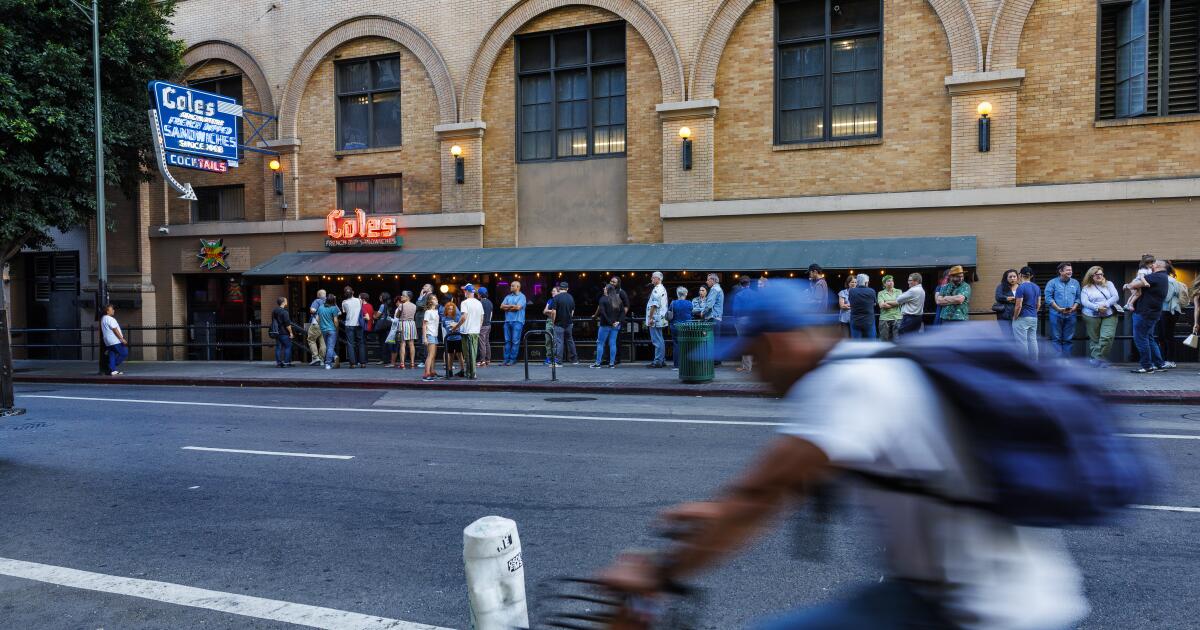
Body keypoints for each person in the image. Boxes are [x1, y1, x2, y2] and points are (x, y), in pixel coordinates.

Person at [597, 282, 1091, 630]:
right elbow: (779, 486)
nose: (751, 375)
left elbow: (758, 498)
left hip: (984, 612)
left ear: (778, 344)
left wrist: (658, 575)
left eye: (750, 358)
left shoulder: (847, 385)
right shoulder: (870, 359)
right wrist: (717, 509)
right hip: (939, 593)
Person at [1124, 259, 1172, 373]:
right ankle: (1159, 364)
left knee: (1140, 338)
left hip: (1144, 313)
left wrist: (1127, 285)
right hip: (1153, 313)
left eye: (1154, 263)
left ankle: (1147, 366)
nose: (1152, 265)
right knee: (1149, 338)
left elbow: (1135, 284)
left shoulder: (1156, 276)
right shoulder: (1163, 277)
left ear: (1158, 266)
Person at [1080, 266, 1119, 368]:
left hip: (1109, 314)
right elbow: (1084, 302)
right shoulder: (1086, 288)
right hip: (1091, 315)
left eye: (1101, 274)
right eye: (1096, 274)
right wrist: (1097, 307)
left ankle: (1096, 359)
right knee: (1095, 339)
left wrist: (1105, 305)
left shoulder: (1109, 284)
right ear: (1091, 276)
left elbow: (1115, 296)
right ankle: (1098, 360)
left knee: (1107, 337)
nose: (1099, 276)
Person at [1044, 263, 1081, 358]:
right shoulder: (1052, 283)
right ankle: (1058, 361)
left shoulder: (1075, 283)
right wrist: (1059, 309)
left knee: (1068, 339)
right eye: (1068, 270)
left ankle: (1067, 360)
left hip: (1071, 314)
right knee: (1056, 338)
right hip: (1056, 314)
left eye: (1071, 270)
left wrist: (1074, 307)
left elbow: (1078, 298)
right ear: (1061, 271)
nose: (1070, 272)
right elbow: (1048, 298)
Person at [1159, 263, 1189, 365]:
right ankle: (1165, 359)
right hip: (1167, 310)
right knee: (1163, 336)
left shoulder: (1169, 281)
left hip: (1169, 310)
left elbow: (1167, 297)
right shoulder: (1169, 280)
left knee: (1167, 336)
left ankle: (1170, 360)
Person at [1012, 266, 1041, 360]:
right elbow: (1038, 304)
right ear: (1031, 276)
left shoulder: (1021, 287)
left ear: (1020, 275)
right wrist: (1033, 313)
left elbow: (1018, 305)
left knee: (1022, 342)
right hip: (1034, 317)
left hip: (1022, 317)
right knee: (1033, 340)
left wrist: (1015, 317)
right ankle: (1035, 363)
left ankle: (1024, 365)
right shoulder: (1037, 287)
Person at [592, 285, 622, 368]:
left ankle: (598, 363)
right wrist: (618, 321)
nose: (603, 288)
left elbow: (603, 312)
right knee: (612, 343)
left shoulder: (603, 299)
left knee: (600, 343)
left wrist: (610, 322)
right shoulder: (617, 299)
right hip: (616, 325)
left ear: (608, 290)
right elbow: (622, 312)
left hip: (605, 324)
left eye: (604, 288)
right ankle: (612, 363)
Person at [458, 284, 484, 380]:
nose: (464, 292)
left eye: (464, 291)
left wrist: (456, 327)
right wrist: (478, 328)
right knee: (473, 352)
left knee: (468, 353)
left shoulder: (464, 303)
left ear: (467, 292)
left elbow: (464, 317)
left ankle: (471, 373)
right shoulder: (479, 303)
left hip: (466, 331)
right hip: (475, 331)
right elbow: (482, 318)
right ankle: (471, 373)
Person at [548, 281, 577, 366]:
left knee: (559, 342)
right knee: (570, 340)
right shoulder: (571, 297)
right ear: (567, 289)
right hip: (569, 323)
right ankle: (574, 360)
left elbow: (553, 312)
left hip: (559, 323)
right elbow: (572, 311)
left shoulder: (556, 298)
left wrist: (553, 322)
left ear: (560, 288)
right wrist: (569, 319)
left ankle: (559, 361)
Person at [500, 280, 527, 366]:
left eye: (512, 286)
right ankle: (506, 359)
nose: (510, 287)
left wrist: (507, 307)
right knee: (507, 341)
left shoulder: (522, 296)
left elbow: (518, 307)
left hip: (518, 321)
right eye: (511, 285)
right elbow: (501, 306)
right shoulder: (508, 296)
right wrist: (512, 307)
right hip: (507, 321)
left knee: (515, 341)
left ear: (518, 287)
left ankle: (512, 359)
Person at [646, 271, 669, 368]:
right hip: (661, 318)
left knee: (656, 340)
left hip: (655, 319)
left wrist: (650, 318)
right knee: (660, 339)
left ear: (658, 279)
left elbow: (654, 305)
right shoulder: (662, 288)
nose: (651, 279)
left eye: (652, 277)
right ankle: (661, 359)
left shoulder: (656, 290)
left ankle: (658, 361)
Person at [732, 276, 755, 372]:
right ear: (749, 283)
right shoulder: (755, 294)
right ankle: (747, 365)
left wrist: (735, 321)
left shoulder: (739, 295)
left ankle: (746, 367)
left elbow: (736, 310)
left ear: (740, 284)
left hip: (741, 320)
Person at [669, 286, 693, 370]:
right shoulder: (689, 303)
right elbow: (691, 313)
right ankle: (687, 364)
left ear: (677, 294)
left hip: (675, 326)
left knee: (676, 345)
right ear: (686, 294)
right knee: (687, 344)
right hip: (687, 327)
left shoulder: (673, 303)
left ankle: (677, 365)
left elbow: (669, 314)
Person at [100, 303, 128, 376]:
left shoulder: (103, 318)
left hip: (108, 341)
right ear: (107, 311)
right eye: (111, 309)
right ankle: (110, 367)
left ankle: (113, 370)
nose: (113, 310)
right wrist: (121, 339)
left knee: (112, 354)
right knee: (124, 352)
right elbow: (115, 329)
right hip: (115, 340)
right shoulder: (110, 319)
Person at [341, 287, 365, 368]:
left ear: (345, 294)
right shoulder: (359, 300)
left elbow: (345, 312)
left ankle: (353, 363)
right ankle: (363, 363)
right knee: (360, 343)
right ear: (353, 292)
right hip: (358, 324)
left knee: (350, 344)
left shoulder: (344, 302)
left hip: (349, 324)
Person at [847, 273, 876, 339]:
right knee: (871, 343)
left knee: (856, 342)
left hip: (855, 321)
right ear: (866, 283)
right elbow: (874, 304)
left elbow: (850, 302)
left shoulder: (851, 291)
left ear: (857, 282)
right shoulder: (871, 291)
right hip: (869, 321)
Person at [317, 294, 341, 370]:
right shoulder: (334, 308)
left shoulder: (320, 307)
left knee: (328, 346)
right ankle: (328, 363)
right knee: (330, 347)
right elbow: (336, 320)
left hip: (323, 329)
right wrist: (336, 328)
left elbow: (317, 319)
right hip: (332, 329)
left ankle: (335, 356)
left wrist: (321, 325)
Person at [876, 275, 903, 341]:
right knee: (884, 340)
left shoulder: (899, 291)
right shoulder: (880, 293)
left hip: (897, 318)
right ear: (884, 284)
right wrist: (895, 303)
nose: (891, 282)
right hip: (884, 318)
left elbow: (900, 302)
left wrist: (887, 302)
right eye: (888, 281)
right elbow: (881, 305)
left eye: (892, 281)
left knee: (897, 340)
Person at [993, 269, 1019, 337]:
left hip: (1018, 315)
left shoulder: (1021, 287)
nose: (1012, 278)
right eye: (1010, 277)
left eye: (1014, 276)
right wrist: (1008, 298)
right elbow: (998, 297)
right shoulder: (1001, 286)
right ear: (1006, 278)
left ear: (1017, 277)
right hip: (1004, 315)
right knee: (1007, 335)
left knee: (1018, 336)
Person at [395, 291, 418, 369]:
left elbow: (397, 315)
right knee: (411, 344)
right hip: (412, 324)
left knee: (403, 344)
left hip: (403, 324)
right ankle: (412, 363)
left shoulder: (402, 305)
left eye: (403, 295)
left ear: (408, 297)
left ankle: (402, 363)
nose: (401, 297)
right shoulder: (414, 305)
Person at [270, 296, 295, 368]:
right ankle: (287, 362)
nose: (287, 302)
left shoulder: (274, 311)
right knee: (288, 346)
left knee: (278, 347)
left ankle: (279, 363)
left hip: (276, 332)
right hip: (284, 332)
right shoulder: (285, 312)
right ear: (283, 302)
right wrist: (291, 332)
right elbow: (287, 324)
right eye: (286, 301)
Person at [421, 294, 441, 381]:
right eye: (434, 299)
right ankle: (426, 373)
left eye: (436, 298)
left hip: (434, 334)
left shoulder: (436, 311)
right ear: (430, 301)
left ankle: (432, 371)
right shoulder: (428, 312)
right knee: (430, 355)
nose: (436, 300)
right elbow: (424, 325)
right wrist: (425, 338)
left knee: (433, 355)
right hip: (429, 334)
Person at [442, 301, 464, 377]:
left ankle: (462, 370)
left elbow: (460, 325)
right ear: (446, 310)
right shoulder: (444, 319)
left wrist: (455, 327)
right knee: (450, 355)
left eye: (451, 309)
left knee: (459, 355)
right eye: (449, 309)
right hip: (449, 339)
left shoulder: (457, 317)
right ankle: (450, 370)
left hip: (457, 338)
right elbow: (445, 327)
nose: (450, 310)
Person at [306, 289, 327, 365]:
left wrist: (313, 311)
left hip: (316, 324)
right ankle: (322, 360)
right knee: (323, 342)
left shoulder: (317, 301)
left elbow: (312, 310)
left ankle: (315, 358)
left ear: (318, 295)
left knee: (311, 339)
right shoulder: (329, 302)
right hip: (326, 325)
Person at [374, 292, 392, 364]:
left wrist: (373, 316)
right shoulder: (389, 305)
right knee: (387, 342)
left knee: (382, 342)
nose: (379, 298)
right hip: (388, 325)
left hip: (382, 326)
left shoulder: (382, 305)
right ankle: (388, 358)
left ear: (383, 298)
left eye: (380, 296)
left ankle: (383, 359)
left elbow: (377, 316)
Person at [478, 286, 494, 367]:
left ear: (480, 295)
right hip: (488, 325)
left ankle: (482, 361)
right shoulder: (490, 302)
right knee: (487, 342)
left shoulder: (480, 303)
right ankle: (488, 360)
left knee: (482, 344)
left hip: (482, 325)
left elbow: (480, 316)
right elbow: (491, 315)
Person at [358, 292, 375, 364]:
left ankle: (363, 360)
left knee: (361, 344)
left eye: (359, 298)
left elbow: (366, 317)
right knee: (365, 344)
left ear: (363, 299)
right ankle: (366, 359)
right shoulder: (370, 305)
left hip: (364, 327)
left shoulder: (363, 306)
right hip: (369, 327)